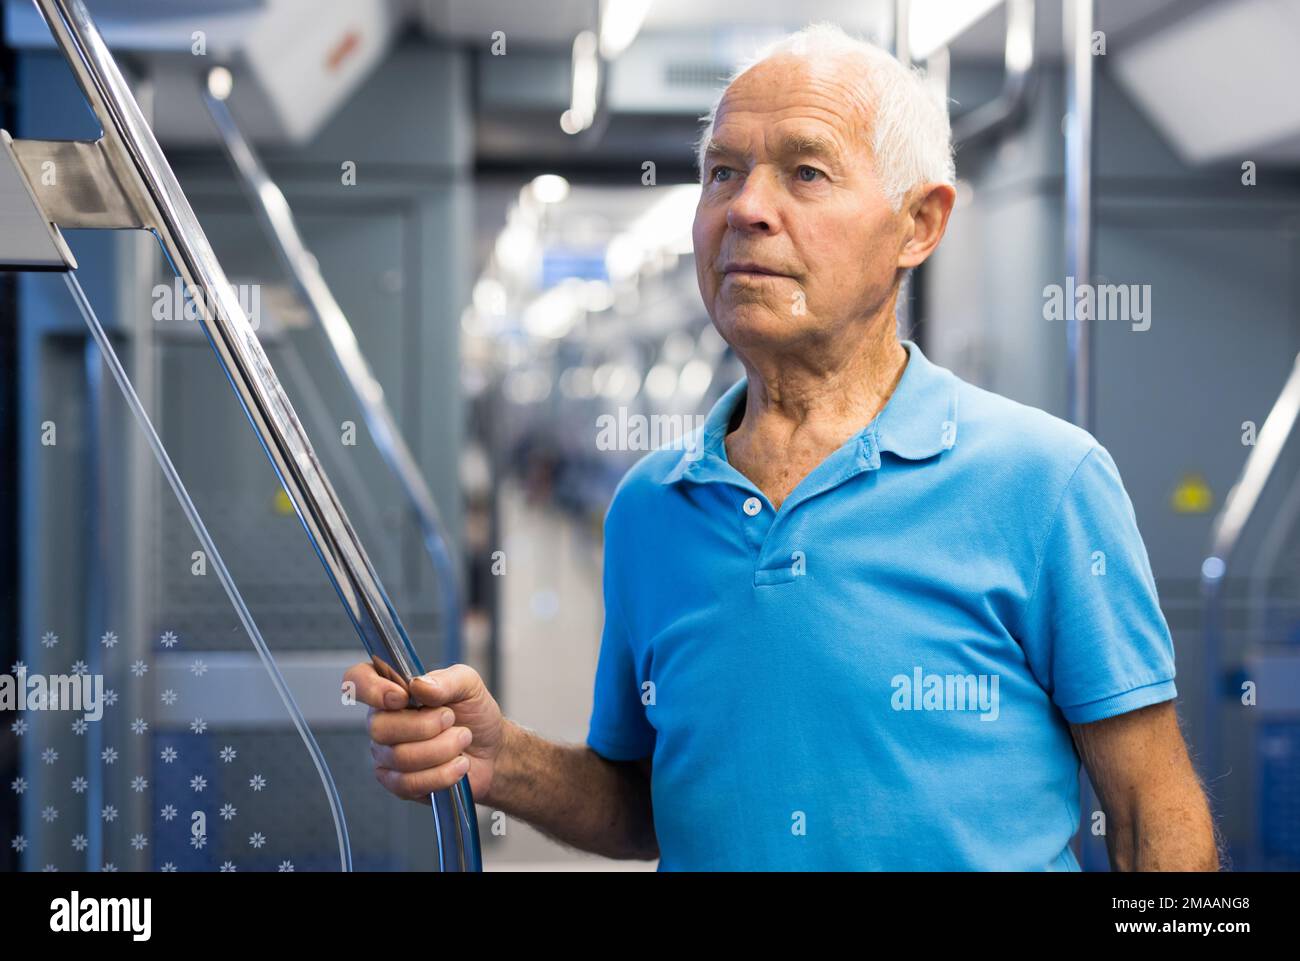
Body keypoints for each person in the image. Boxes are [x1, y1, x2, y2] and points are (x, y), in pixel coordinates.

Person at [345, 22, 1218, 870]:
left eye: (806, 171)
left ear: (919, 224)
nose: (746, 208)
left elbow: (1153, 817)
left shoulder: (1044, 483)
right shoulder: (652, 507)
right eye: (722, 172)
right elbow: (648, 800)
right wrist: (504, 759)